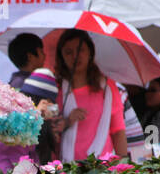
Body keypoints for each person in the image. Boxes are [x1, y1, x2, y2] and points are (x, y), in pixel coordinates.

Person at [0, 33, 59, 171]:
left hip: (18, 171)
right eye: (41, 52)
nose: (45, 56)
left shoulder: (15, 87)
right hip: (2, 172)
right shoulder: (13, 100)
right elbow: (2, 138)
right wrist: (35, 114)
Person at [51, 28, 128, 162]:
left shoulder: (107, 86)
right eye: (68, 52)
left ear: (90, 53)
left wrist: (123, 164)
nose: (75, 56)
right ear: (61, 57)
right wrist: (68, 121)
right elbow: (49, 132)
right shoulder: (55, 89)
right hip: (65, 173)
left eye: (80, 50)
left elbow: (118, 130)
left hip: (103, 168)